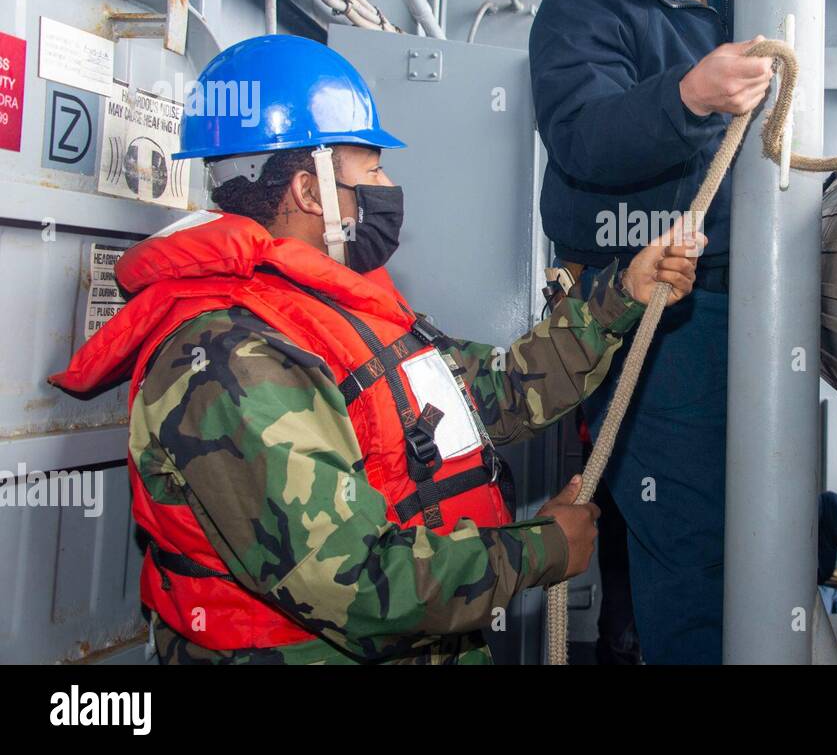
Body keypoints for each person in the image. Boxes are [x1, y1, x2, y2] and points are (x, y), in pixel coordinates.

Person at [49, 35, 705, 665]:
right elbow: (358, 582)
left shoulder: (338, 306)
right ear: (310, 190)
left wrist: (619, 295)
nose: (388, 188)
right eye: (372, 167)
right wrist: (543, 548)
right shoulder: (228, 363)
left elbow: (492, 391)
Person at [528, 0, 771, 665]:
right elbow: (582, 135)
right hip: (656, 302)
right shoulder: (578, 7)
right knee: (688, 535)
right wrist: (687, 96)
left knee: (777, 511)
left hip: (765, 288)